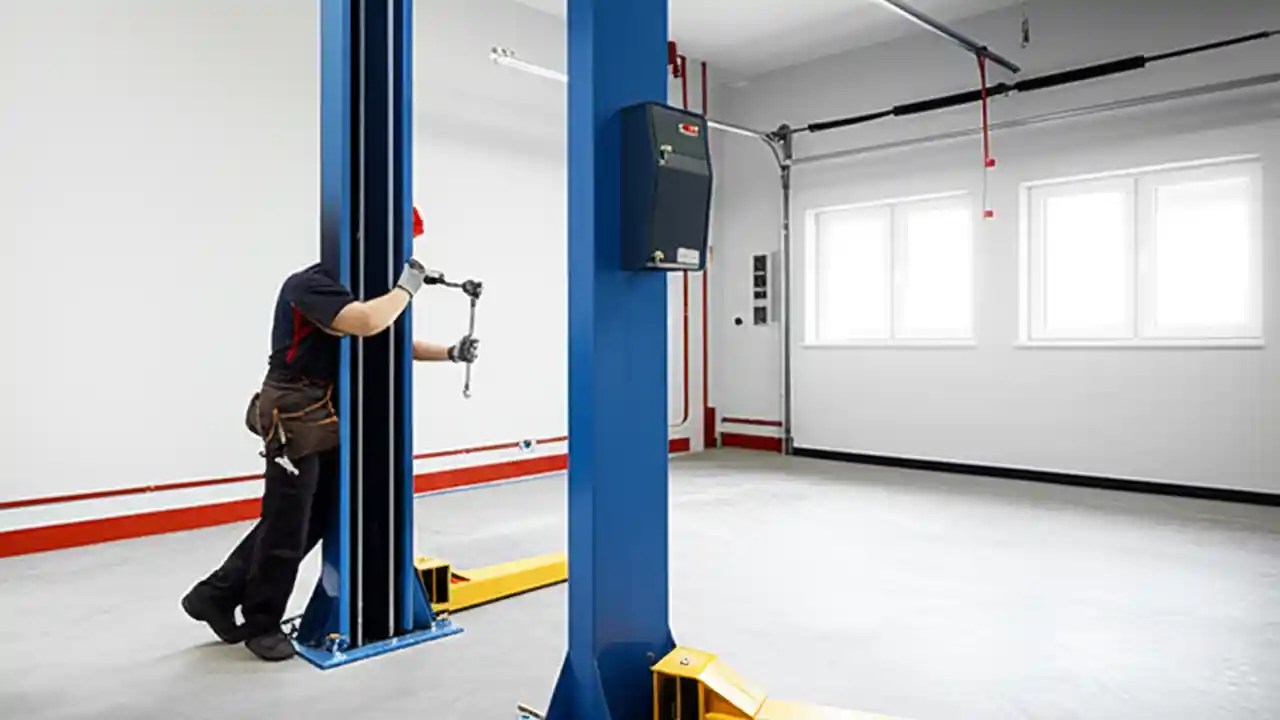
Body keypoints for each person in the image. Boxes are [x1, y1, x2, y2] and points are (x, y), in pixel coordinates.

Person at [181, 224, 479, 661]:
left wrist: (451, 352)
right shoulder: (312, 284)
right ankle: (261, 624)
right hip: (294, 414)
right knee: (286, 524)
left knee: (314, 517)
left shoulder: (350, 293)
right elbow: (367, 321)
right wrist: (407, 288)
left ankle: (214, 594)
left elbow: (390, 336)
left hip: (322, 411)